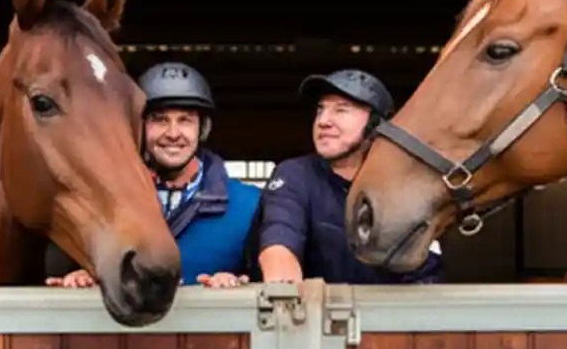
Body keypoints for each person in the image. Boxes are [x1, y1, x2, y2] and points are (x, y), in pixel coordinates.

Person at [46, 61, 261, 288]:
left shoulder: (249, 205)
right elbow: (61, 267)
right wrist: (80, 275)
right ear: (139, 127)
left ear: (203, 129)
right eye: (160, 119)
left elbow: (265, 286)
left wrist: (237, 284)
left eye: (185, 120)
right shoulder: (98, 201)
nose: (173, 133)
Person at [252, 69, 443, 284]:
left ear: (376, 125)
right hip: (311, 314)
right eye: (320, 110)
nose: (323, 121)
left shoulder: (405, 187)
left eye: (341, 110)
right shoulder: (296, 175)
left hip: (392, 314)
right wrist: (283, 291)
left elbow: (426, 274)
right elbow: (280, 237)